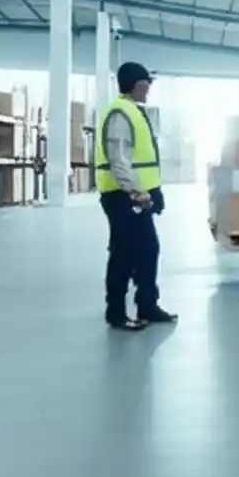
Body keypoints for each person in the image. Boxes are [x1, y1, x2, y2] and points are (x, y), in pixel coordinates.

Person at [93, 62, 177, 331]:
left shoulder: (132, 111)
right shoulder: (120, 114)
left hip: (136, 195)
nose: (148, 90)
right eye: (146, 85)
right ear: (136, 85)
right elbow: (119, 159)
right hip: (122, 196)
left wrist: (154, 191)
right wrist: (136, 192)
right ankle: (116, 313)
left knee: (148, 250)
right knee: (124, 254)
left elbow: (142, 161)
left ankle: (147, 306)